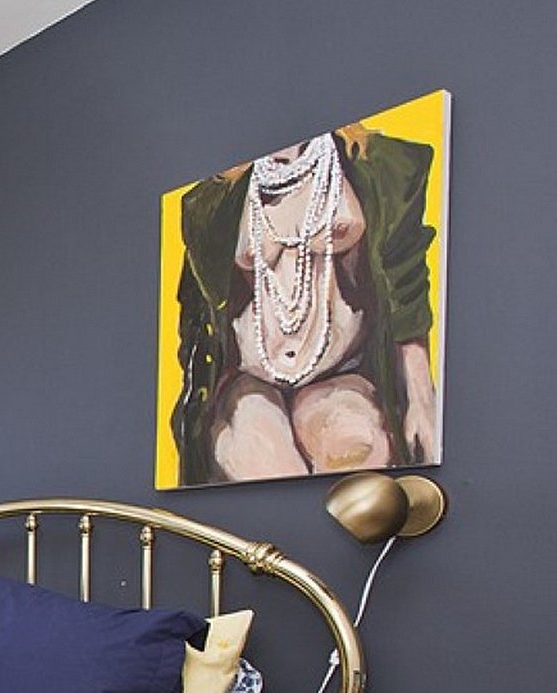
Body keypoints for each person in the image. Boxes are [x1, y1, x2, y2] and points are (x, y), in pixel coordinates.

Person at [170, 124, 439, 485]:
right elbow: (196, 312)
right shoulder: (210, 202)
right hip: (253, 378)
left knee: (359, 450)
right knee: (265, 464)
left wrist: (421, 397)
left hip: (341, 372)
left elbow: (405, 279)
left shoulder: (379, 164)